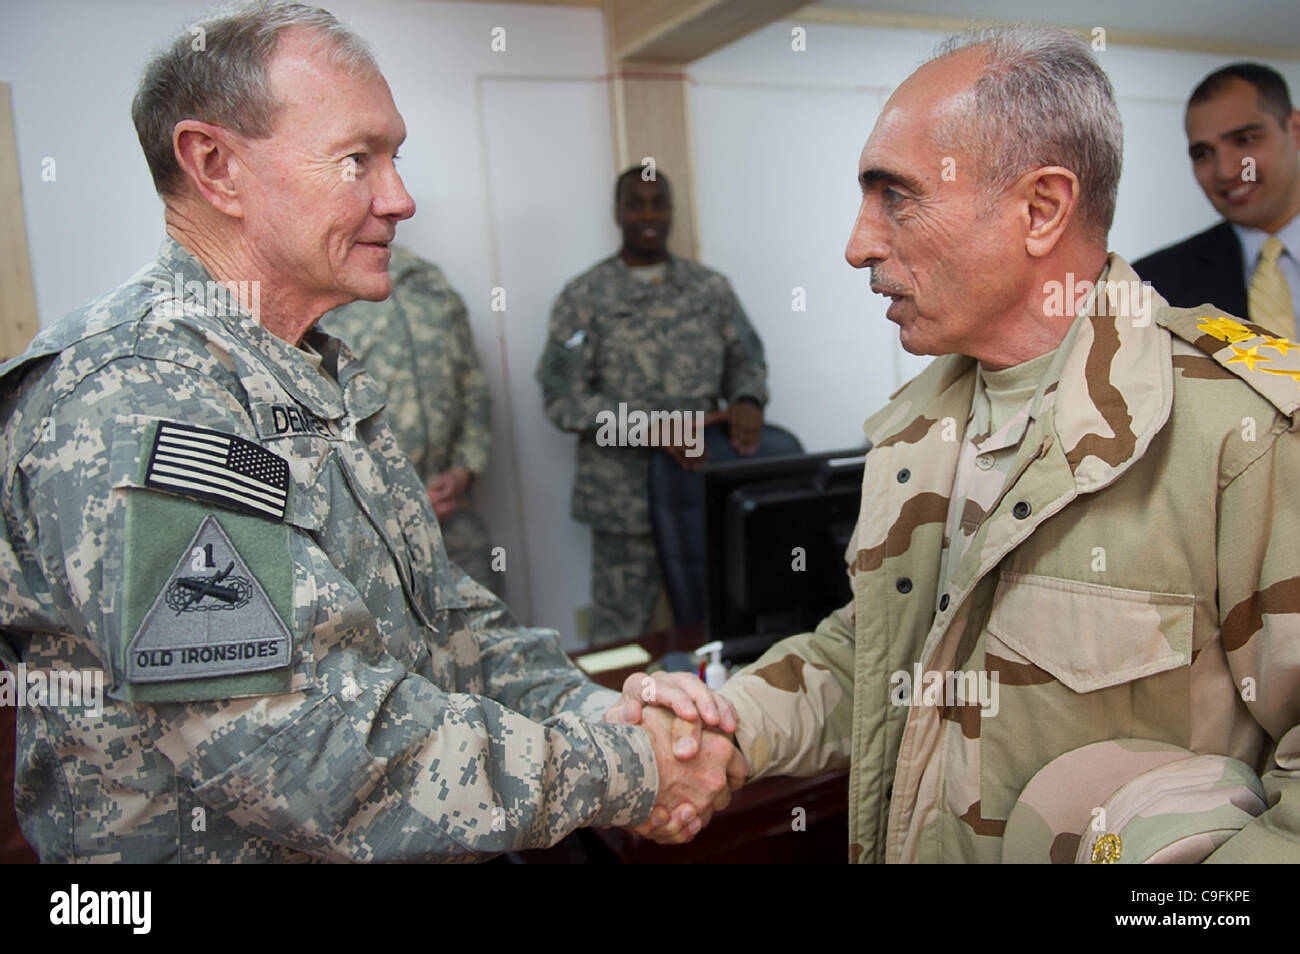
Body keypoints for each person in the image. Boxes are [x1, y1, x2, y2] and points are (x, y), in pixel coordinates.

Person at [0, 1, 742, 863]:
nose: (400, 197)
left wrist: (597, 712)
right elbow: (297, 746)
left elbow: (447, 621)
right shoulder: (136, 395)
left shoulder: (311, 369)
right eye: (358, 159)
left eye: (395, 157)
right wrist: (627, 768)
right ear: (215, 165)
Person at [616, 26, 1300, 863]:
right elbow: (872, 656)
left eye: (895, 195)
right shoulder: (919, 424)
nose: (858, 243)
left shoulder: (1245, 430)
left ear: (1041, 209)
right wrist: (723, 725)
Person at [537, 168, 769, 644]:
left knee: (718, 627)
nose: (648, 215)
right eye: (635, 203)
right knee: (618, 639)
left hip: (700, 493)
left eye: (658, 202)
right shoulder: (584, 296)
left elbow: (748, 360)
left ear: (671, 210)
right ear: (617, 213)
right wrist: (650, 429)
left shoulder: (710, 290)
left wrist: (747, 398)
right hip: (625, 506)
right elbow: (562, 402)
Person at [318, 245, 495, 587]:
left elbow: (473, 384)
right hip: (370, 530)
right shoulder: (320, 287)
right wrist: (394, 499)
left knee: (491, 631)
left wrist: (464, 470)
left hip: (453, 514)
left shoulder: (426, 279)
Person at [1134, 63, 1300, 339]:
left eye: (1245, 140)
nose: (1226, 171)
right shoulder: (1151, 287)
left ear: (1294, 130)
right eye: (1203, 154)